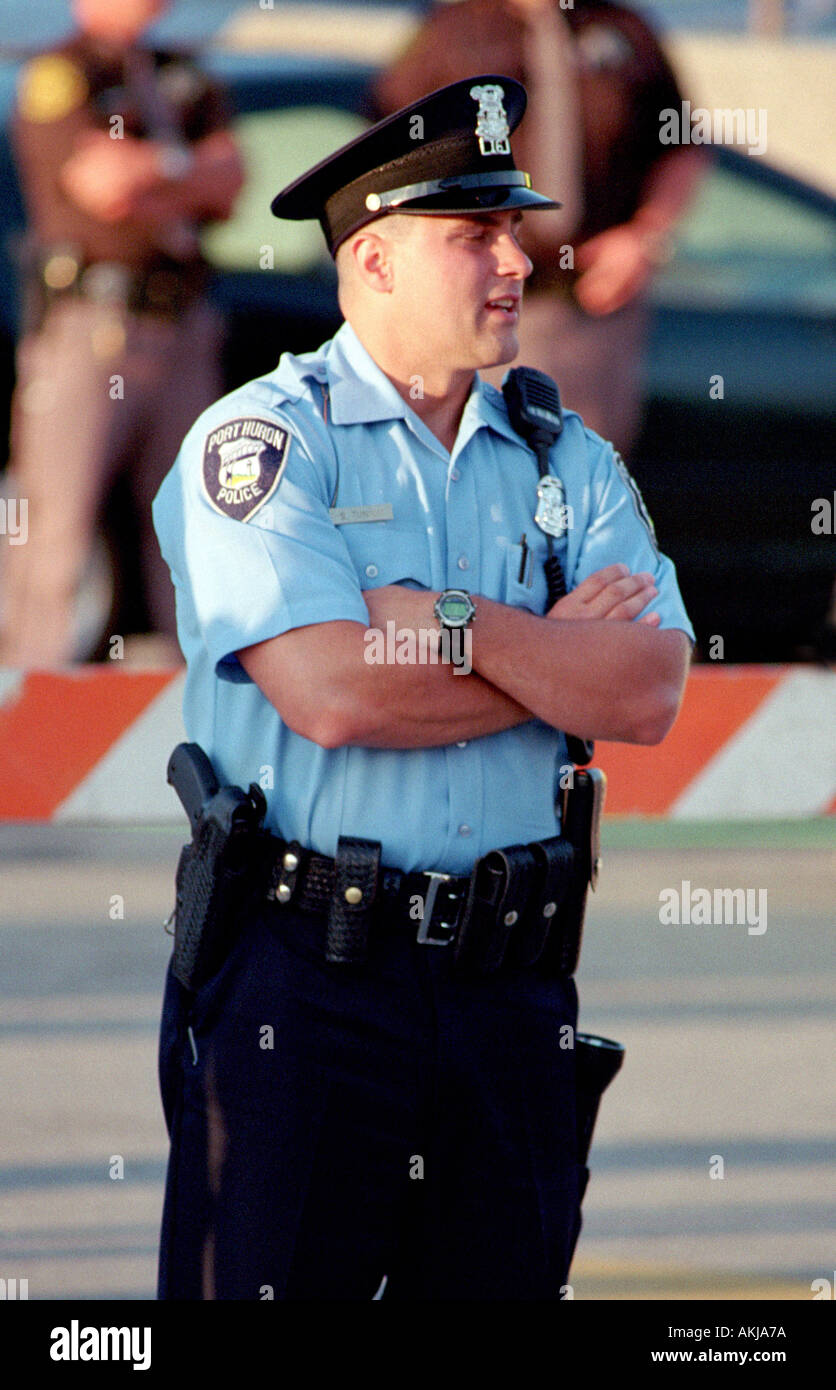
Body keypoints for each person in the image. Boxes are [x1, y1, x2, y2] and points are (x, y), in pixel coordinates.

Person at [152, 74, 693, 1300]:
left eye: (513, 228)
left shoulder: (568, 457)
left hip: (511, 996)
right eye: (475, 236)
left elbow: (652, 687)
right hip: (308, 987)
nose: (516, 258)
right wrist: (553, 655)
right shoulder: (261, 445)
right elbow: (335, 694)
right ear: (377, 259)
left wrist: (450, 624)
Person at [0, 0, 244, 666]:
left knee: (192, 519)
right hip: (94, 327)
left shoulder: (182, 72)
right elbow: (104, 186)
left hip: (182, 321)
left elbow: (231, 183)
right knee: (56, 527)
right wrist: (181, 170)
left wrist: (152, 172)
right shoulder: (61, 74)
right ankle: (27, 696)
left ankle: (198, 690)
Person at [373, 0, 706, 456]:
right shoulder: (451, 31)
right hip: (477, 302)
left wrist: (645, 238)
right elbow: (384, 144)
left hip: (592, 308)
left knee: (581, 481)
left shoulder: (621, 29)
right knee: (485, 471)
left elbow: (681, 146)